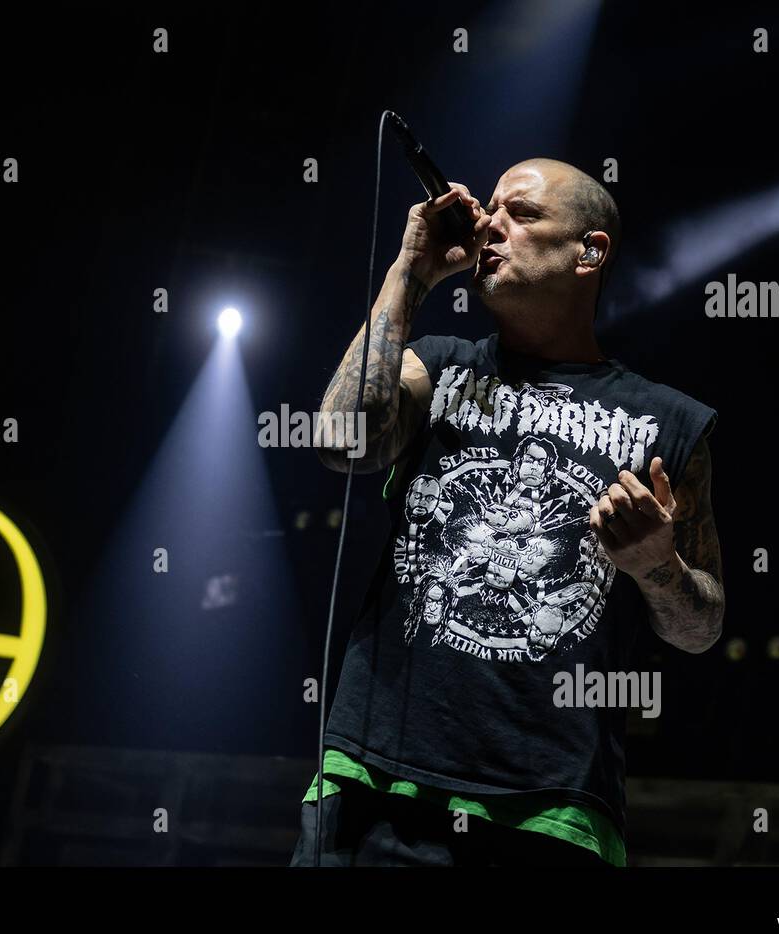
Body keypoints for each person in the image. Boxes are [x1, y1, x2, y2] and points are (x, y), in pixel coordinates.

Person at [289, 159, 725, 866]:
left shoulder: (668, 423)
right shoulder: (438, 367)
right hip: (377, 780)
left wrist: (656, 566)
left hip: (547, 814)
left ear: (589, 251)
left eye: (520, 214)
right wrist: (412, 272)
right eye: (489, 209)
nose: (490, 224)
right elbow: (341, 443)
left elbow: (701, 626)